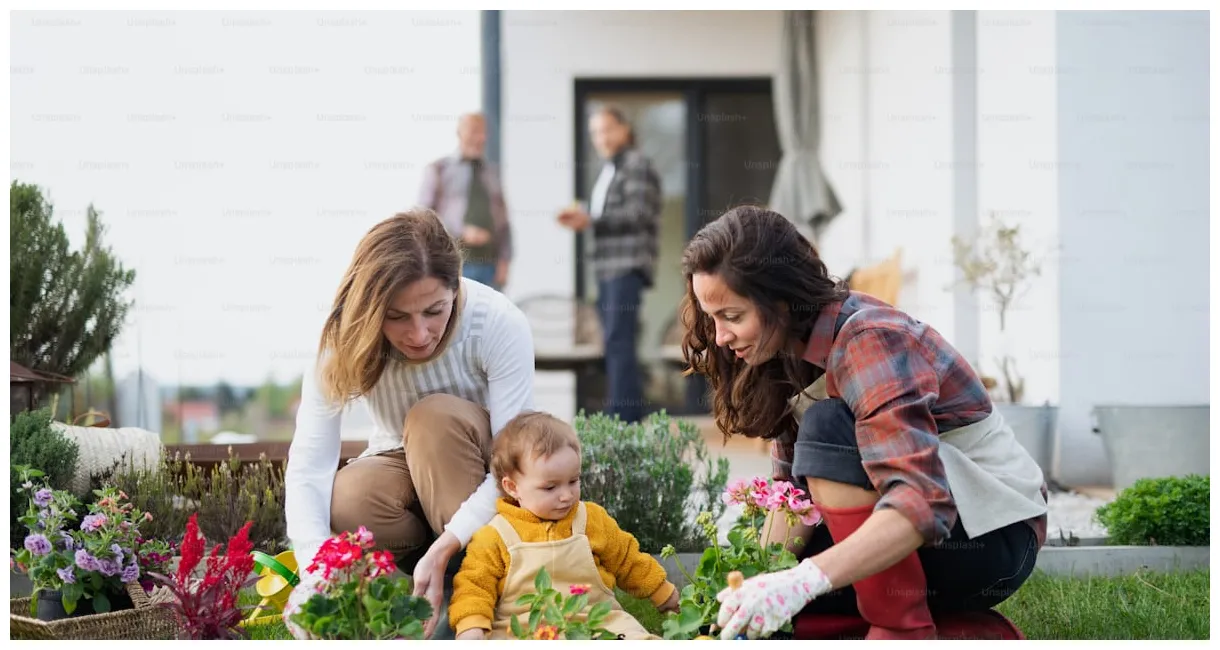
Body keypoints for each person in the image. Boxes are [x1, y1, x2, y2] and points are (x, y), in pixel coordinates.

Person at [679, 206, 1048, 640]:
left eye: (733, 317)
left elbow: (921, 500)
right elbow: (794, 499)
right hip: (921, 532)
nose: (720, 337)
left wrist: (802, 581)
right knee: (777, 621)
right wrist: (761, 586)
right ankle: (967, 633)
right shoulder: (780, 352)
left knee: (829, 426)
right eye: (712, 318)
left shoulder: (869, 339)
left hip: (991, 538)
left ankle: (902, 629)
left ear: (780, 300)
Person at [283, 209, 536, 638]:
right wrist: (315, 572)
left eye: (434, 311)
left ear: (455, 289)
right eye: (397, 317)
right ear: (370, 308)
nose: (419, 334)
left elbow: (516, 465)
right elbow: (309, 466)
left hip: (486, 472)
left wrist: (449, 542)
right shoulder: (345, 340)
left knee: (431, 419)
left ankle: (477, 582)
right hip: (407, 471)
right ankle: (418, 584)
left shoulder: (496, 321)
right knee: (347, 498)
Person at [448, 411, 680, 640]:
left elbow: (628, 560)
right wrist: (471, 625)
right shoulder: (495, 536)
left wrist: (662, 592)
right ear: (512, 487)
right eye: (550, 488)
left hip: (596, 623)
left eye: (573, 481)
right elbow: (474, 585)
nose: (566, 495)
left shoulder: (591, 519)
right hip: (525, 631)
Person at [557, 106, 662, 423]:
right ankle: (622, 413)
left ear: (624, 129)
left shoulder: (636, 164)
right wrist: (586, 215)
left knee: (620, 341)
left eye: (606, 130)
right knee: (615, 342)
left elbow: (637, 213)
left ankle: (625, 417)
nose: (600, 138)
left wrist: (591, 218)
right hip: (607, 266)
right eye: (595, 133)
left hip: (626, 264)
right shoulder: (610, 169)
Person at [417, 112, 513, 291]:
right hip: (453, 265)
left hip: (490, 267)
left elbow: (503, 221)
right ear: (460, 132)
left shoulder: (492, 173)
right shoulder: (439, 169)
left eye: (484, 132)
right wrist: (460, 232)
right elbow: (423, 218)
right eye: (474, 131)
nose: (481, 138)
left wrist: (505, 260)